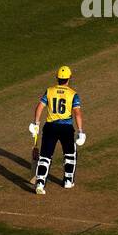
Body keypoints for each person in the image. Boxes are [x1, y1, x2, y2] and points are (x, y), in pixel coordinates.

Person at [28, 66, 86, 195]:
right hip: (66, 128)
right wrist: (81, 131)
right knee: (70, 155)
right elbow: (77, 114)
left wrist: (36, 123)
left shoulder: (49, 91)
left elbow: (40, 107)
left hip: (50, 128)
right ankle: (68, 181)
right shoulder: (73, 94)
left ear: (57, 78)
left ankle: (40, 183)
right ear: (69, 78)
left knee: (45, 156)